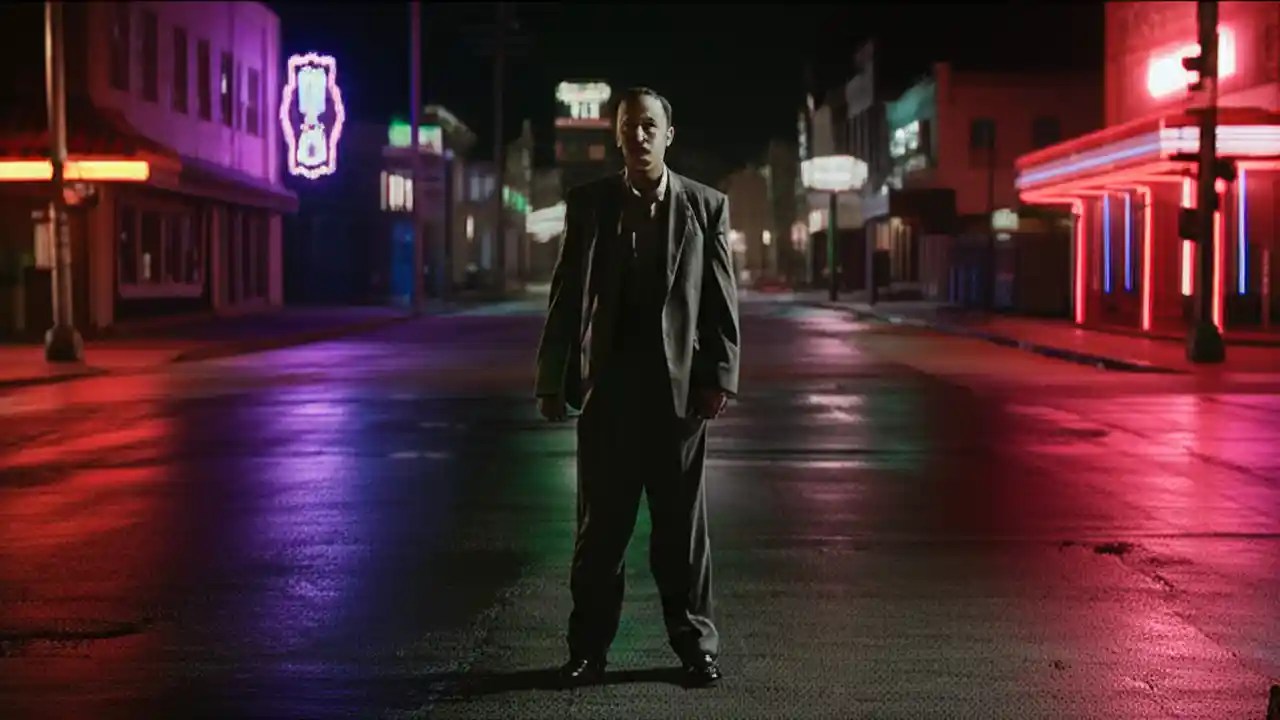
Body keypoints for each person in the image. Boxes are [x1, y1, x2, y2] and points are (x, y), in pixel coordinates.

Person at [534, 86, 740, 689]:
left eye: (650, 126)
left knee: (682, 535)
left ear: (668, 134)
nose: (640, 136)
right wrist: (554, 381)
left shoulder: (705, 207)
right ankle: (588, 651)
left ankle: (696, 647)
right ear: (617, 135)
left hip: (678, 402)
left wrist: (717, 380)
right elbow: (566, 299)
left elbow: (721, 308)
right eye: (629, 127)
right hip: (610, 398)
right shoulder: (589, 205)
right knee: (600, 534)